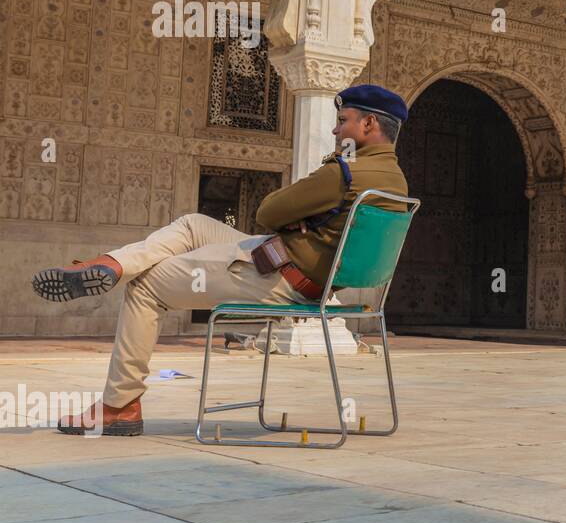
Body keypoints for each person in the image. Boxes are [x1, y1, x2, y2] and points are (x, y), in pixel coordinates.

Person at [32, 84, 410, 436]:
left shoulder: (344, 172)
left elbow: (267, 210)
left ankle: (120, 405)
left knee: (146, 285)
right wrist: (305, 222)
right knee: (193, 225)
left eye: (342, 122)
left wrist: (300, 216)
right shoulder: (395, 180)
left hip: (278, 277)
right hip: (298, 272)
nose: (335, 131)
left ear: (369, 123)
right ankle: (112, 263)